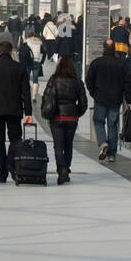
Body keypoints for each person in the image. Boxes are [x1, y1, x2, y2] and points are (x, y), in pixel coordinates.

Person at [0, 40, 34, 183]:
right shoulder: (19, 68)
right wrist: (28, 113)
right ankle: (12, 164)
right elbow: (26, 92)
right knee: (15, 139)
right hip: (14, 110)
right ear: (11, 52)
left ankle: (1, 171)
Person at [42, 56, 87, 184]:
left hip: (57, 117)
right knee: (68, 146)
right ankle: (65, 169)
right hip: (72, 118)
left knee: (58, 146)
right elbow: (83, 102)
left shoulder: (54, 79)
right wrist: (77, 113)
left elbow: (46, 97)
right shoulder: (78, 82)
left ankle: (61, 170)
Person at [85, 40, 131, 162]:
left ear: (103, 48)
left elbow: (89, 80)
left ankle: (102, 143)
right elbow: (127, 82)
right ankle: (112, 154)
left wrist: (93, 93)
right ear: (114, 49)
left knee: (98, 121)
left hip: (100, 97)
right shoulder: (121, 64)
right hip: (116, 99)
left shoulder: (96, 63)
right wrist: (128, 99)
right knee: (113, 125)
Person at [21, 29, 44, 98]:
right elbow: (44, 52)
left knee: (26, 78)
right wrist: (42, 61)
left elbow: (23, 52)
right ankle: (34, 96)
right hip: (37, 61)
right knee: (35, 79)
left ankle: (26, 94)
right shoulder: (39, 42)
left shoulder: (26, 42)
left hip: (28, 61)